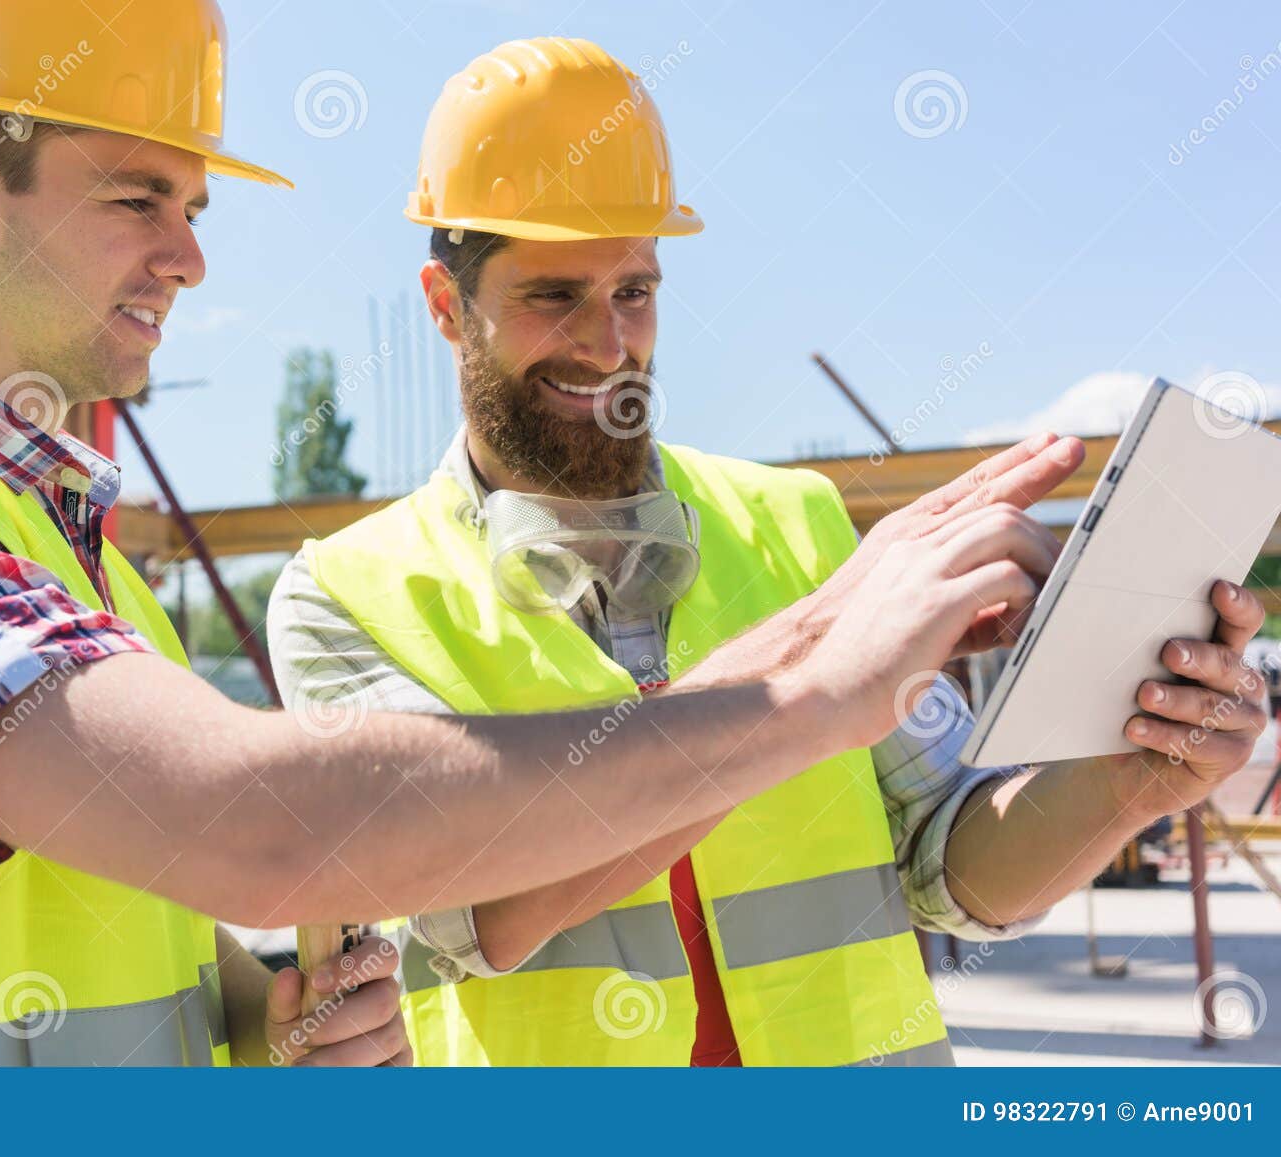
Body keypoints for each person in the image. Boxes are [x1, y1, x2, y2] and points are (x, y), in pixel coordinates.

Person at [0, 1, 1075, 1070]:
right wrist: (811, 687)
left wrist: (256, 1022)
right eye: (137, 199)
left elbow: (104, 949)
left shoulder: (73, 563)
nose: (191, 257)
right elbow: (263, 829)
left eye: (193, 206)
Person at [268, 37, 1269, 1067]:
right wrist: (813, 668)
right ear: (446, 307)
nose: (608, 344)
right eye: (552, 294)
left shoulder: (799, 523)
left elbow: (952, 857)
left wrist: (1130, 783)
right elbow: (481, 910)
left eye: (634, 291)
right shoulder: (344, 595)